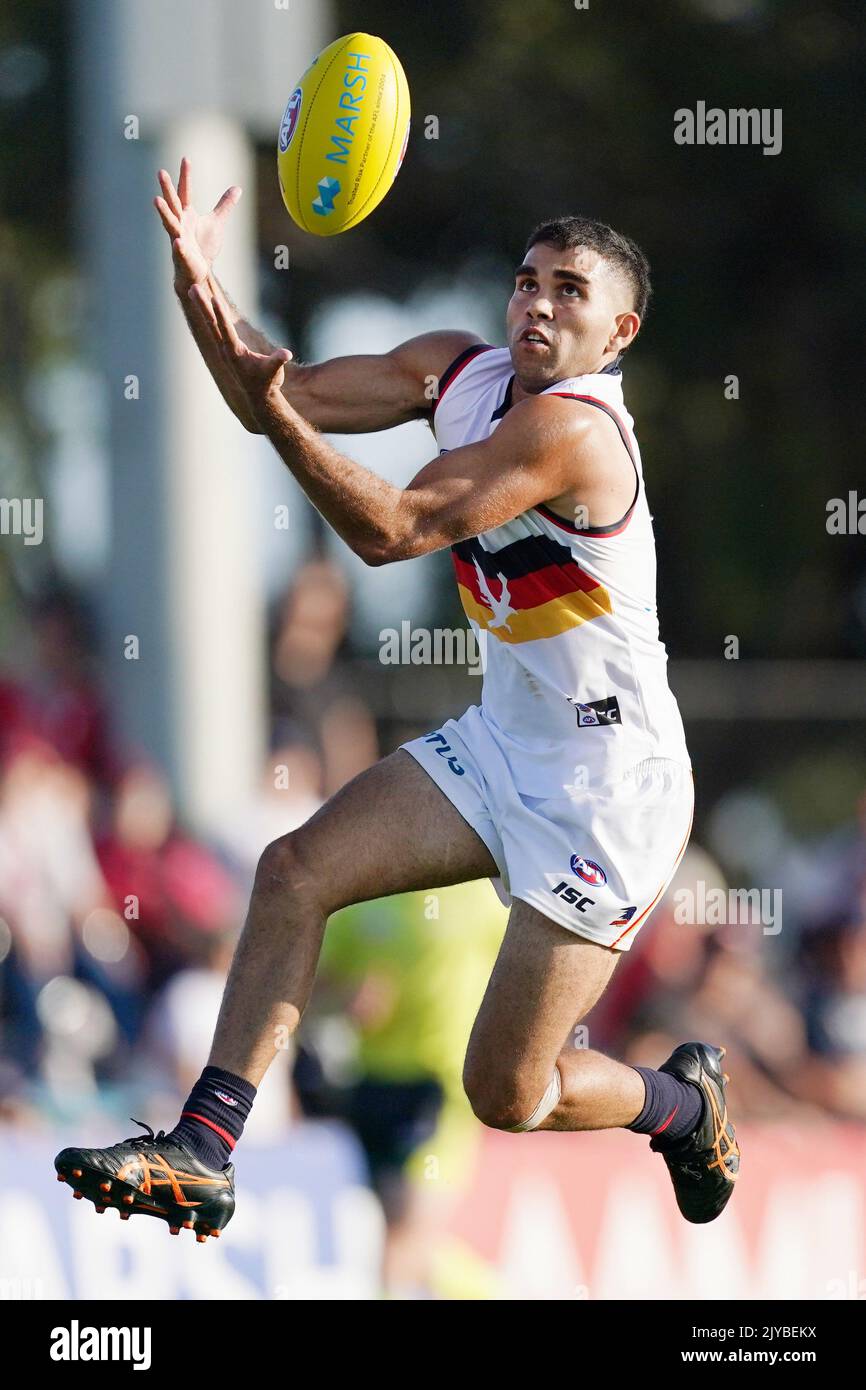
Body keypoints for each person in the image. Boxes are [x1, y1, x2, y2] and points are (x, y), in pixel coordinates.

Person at [54, 159, 739, 1242]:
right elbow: (267, 391)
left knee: (508, 1094)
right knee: (293, 869)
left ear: (618, 335)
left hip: (606, 792)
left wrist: (279, 414)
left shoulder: (575, 431)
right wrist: (199, 286)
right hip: (499, 745)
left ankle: (680, 1103)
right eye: (525, 280)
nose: (537, 302)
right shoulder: (451, 372)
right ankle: (203, 1149)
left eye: (570, 290)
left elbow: (391, 530)